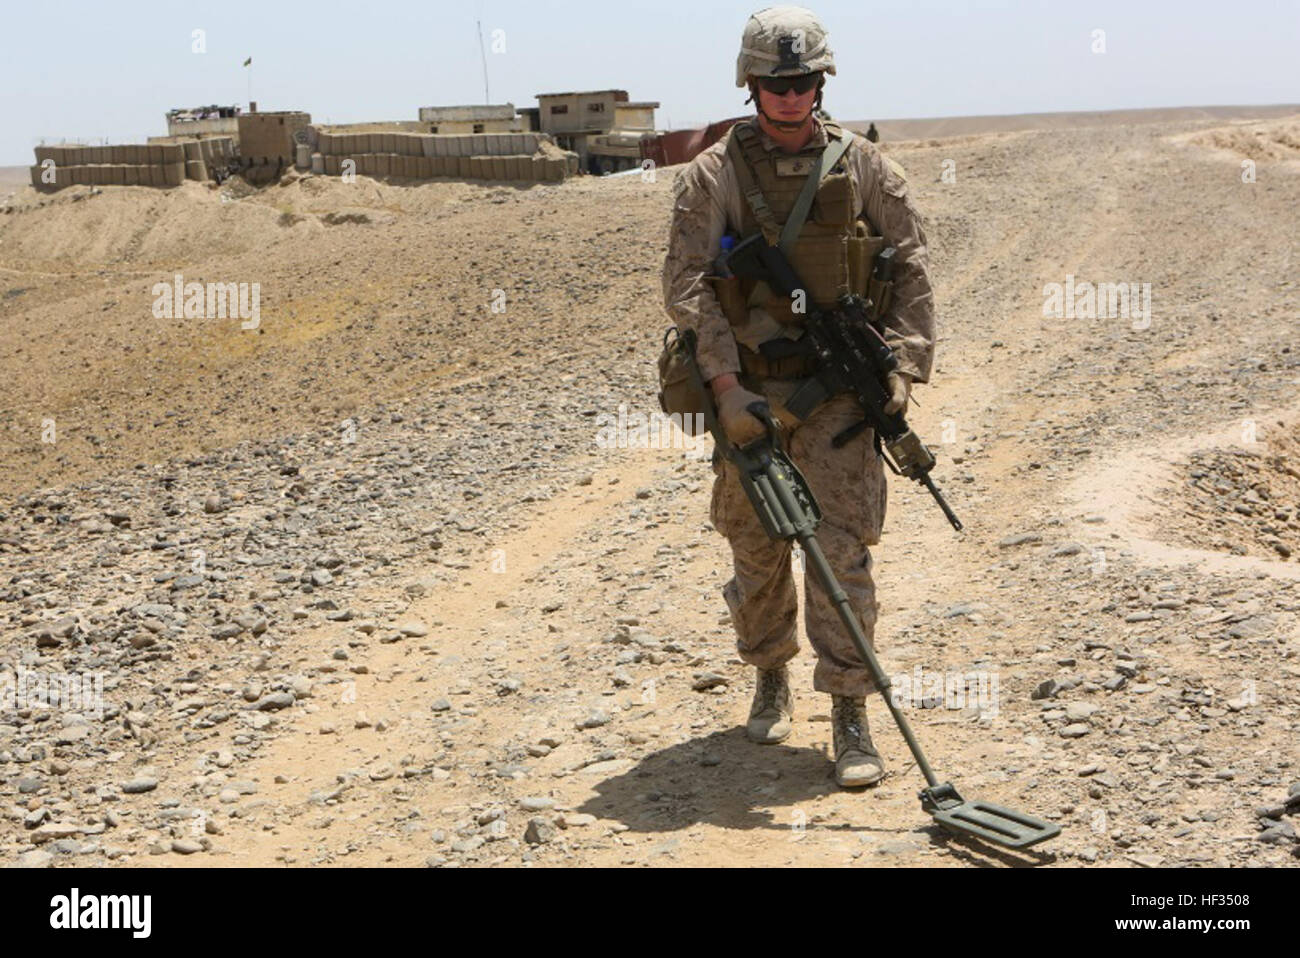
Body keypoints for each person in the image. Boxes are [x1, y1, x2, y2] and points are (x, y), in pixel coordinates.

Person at [661, 4, 936, 787]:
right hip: (750, 391)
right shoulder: (711, 175)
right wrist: (724, 385)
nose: (790, 94)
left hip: (842, 399)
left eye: (804, 80)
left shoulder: (869, 168)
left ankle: (851, 709)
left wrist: (903, 368)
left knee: (841, 553)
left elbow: (912, 268)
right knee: (756, 550)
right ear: (751, 84)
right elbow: (686, 289)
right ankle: (769, 671)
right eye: (776, 81)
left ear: (822, 82)